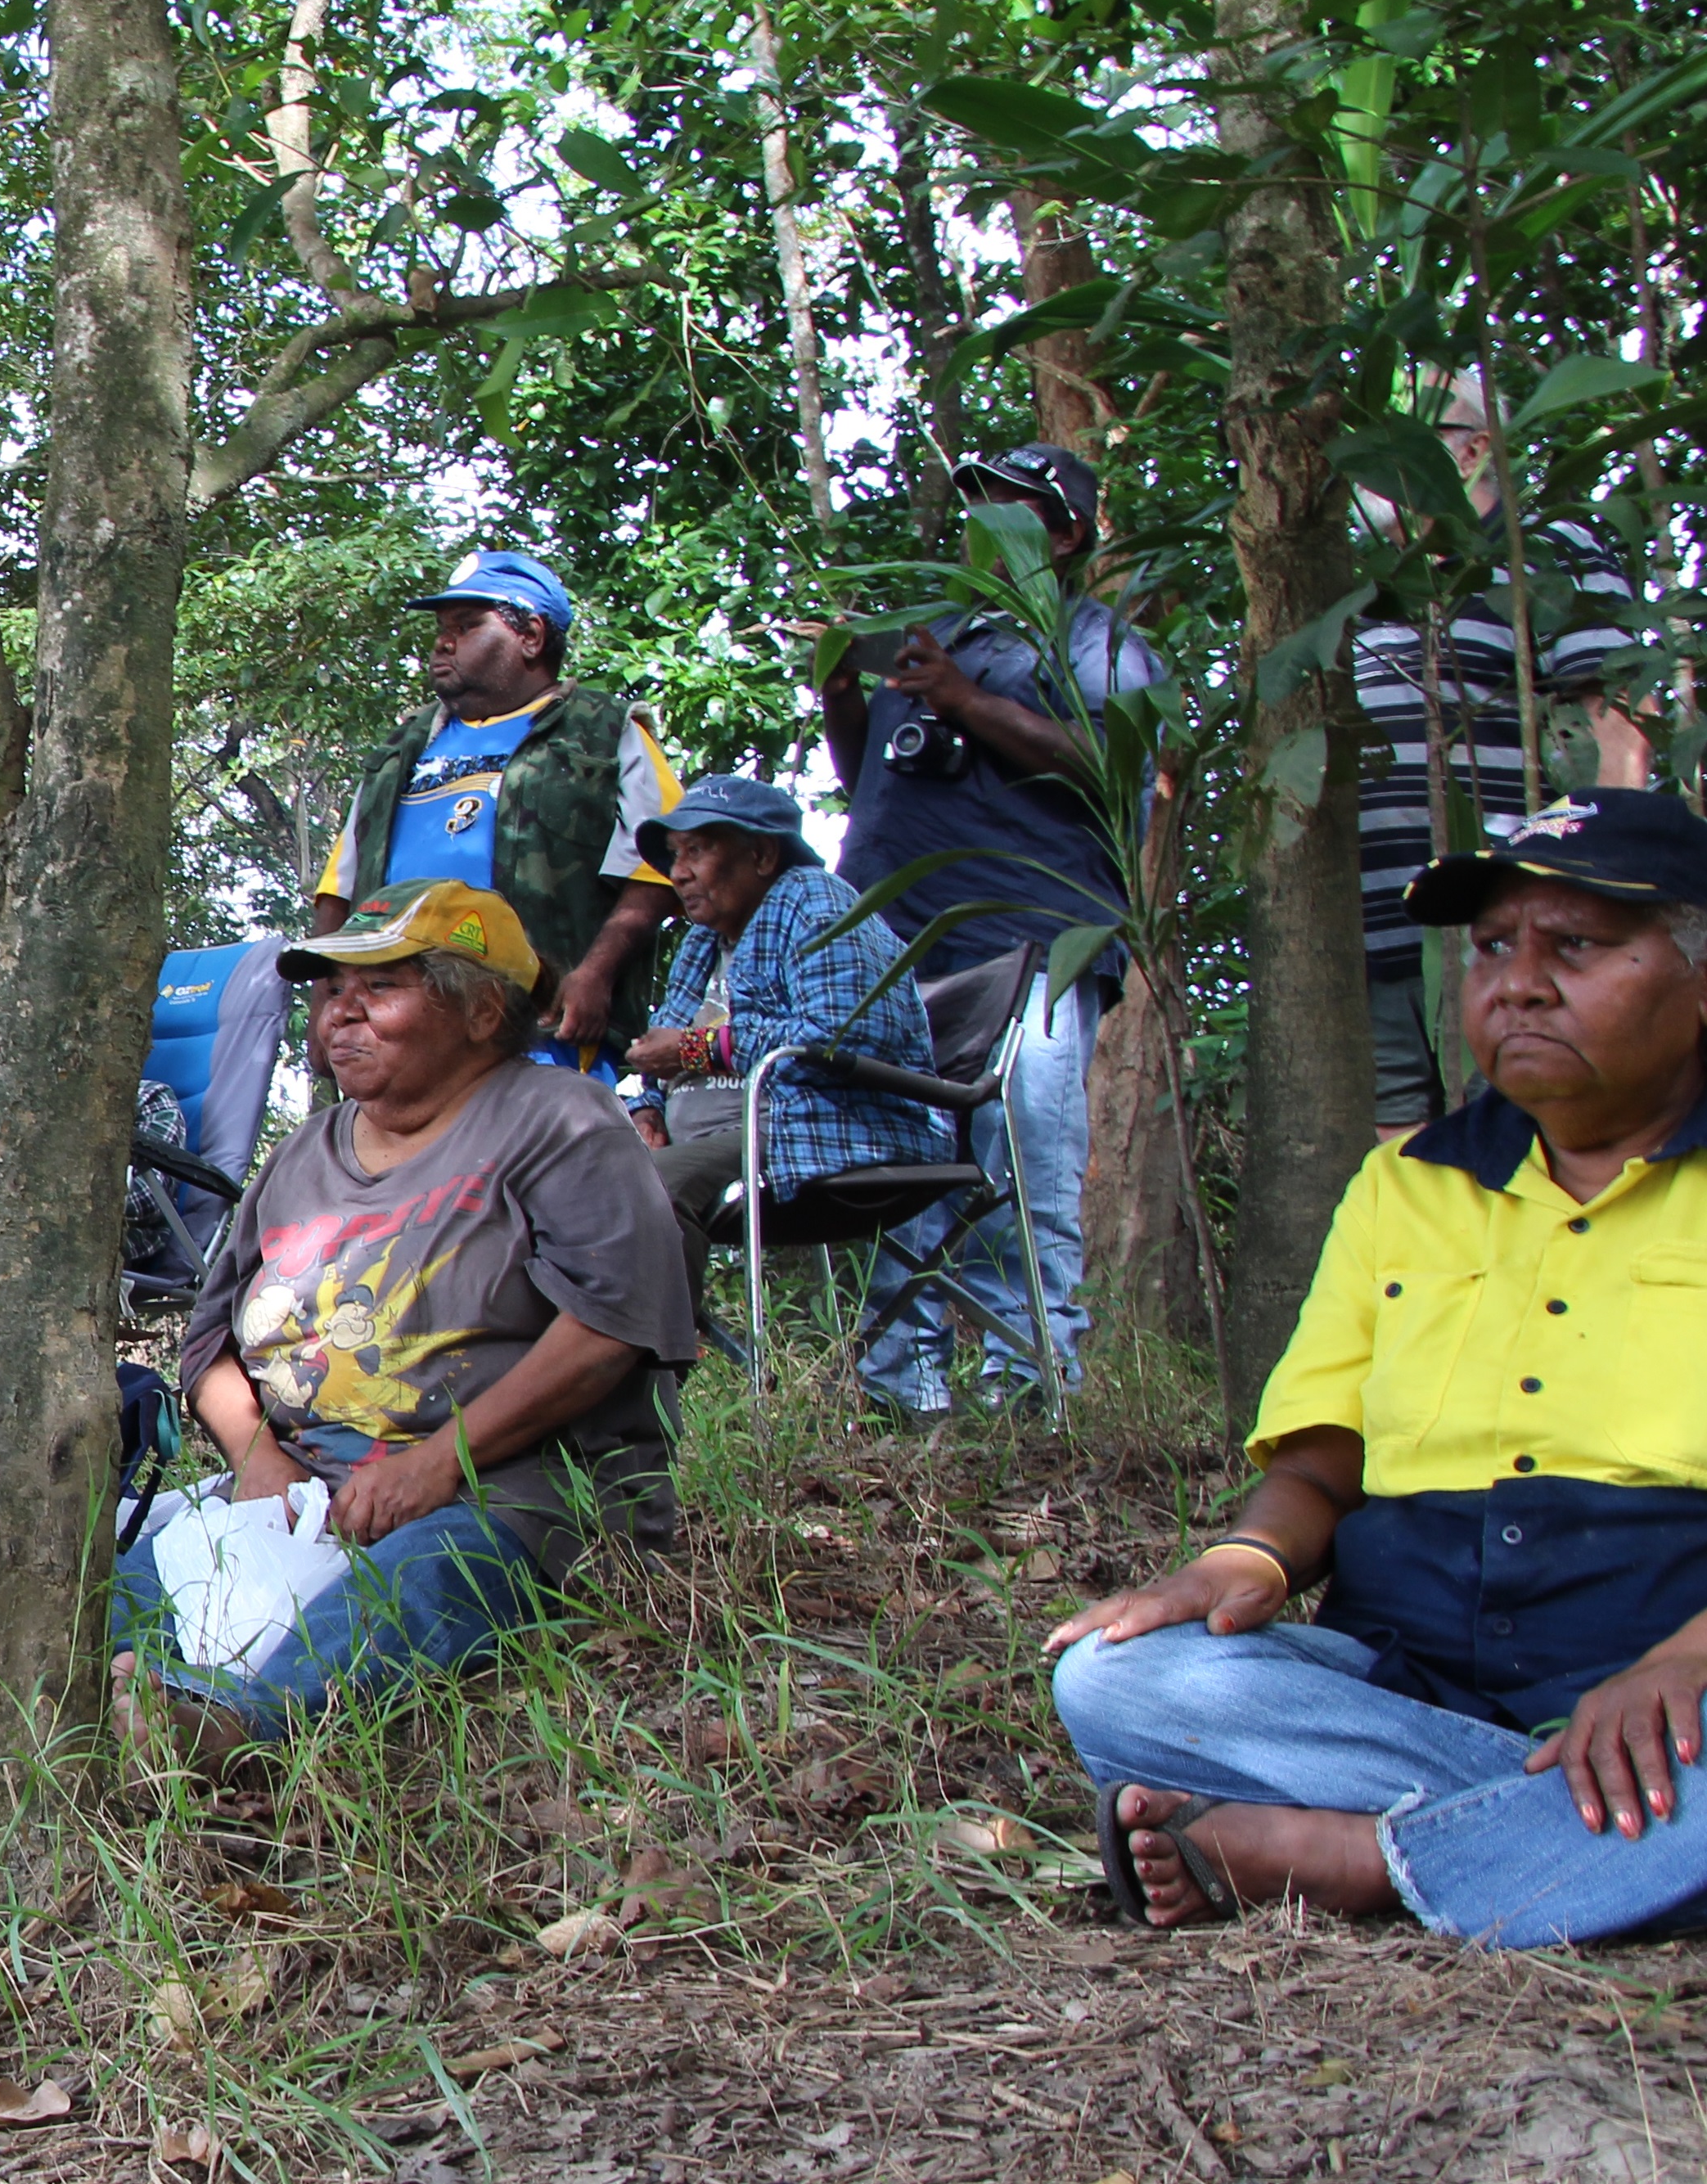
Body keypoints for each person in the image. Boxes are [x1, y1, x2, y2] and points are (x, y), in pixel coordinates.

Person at [0, 883, 700, 1763]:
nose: (339, 1013)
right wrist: (256, 1455)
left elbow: (609, 1326)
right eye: (329, 990)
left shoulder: (559, 1123)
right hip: (298, 1492)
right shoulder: (306, 1153)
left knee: (423, 1579)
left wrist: (439, 1460)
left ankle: (228, 1730)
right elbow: (209, 1344)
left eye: (380, 987)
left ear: (484, 1009)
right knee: (108, 1600)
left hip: (499, 1489)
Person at [1050, 789, 1707, 1945]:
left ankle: (1357, 1856)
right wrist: (1243, 1560)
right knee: (1116, 1679)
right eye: (1492, 947)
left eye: (1575, 946)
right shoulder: (1405, 1183)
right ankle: (1567, 1837)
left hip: (1671, 1661)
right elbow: (1319, 1464)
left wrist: (1685, 1664)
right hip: (1412, 1678)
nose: (1517, 984)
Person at [823, 442, 1163, 1421]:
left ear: (1065, 535)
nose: (983, 525)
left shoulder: (1097, 643)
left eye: (1011, 509)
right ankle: (902, 1397)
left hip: (1032, 940)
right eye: (975, 506)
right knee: (897, 1174)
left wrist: (964, 697)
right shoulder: (940, 633)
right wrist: (844, 695)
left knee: (1022, 1171)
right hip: (895, 945)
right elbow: (872, 776)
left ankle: (1030, 1396)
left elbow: (1110, 770)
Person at [1349, 371, 1658, 1134]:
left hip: (1500, 932)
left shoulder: (1539, 548)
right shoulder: (1359, 589)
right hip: (1371, 941)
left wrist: (1595, 892)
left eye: (1405, 437)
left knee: (1526, 1144)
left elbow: (1618, 714)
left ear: (1472, 450)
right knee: (1404, 1167)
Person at [311, 550, 684, 1058]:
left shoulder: (603, 731)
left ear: (530, 635)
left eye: (466, 626)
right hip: (395, 1035)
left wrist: (595, 973)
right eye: (441, 628)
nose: (443, 642)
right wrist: (326, 1007)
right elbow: (339, 888)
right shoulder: (403, 747)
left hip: (540, 1029)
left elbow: (660, 865)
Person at [623, 776, 954, 1308]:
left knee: (646, 1189)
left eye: (697, 850)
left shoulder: (814, 902)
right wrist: (648, 1113)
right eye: (674, 854)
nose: (678, 872)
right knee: (564, 1180)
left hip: (812, 1130)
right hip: (714, 1143)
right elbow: (659, 1047)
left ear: (761, 854)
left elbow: (844, 1033)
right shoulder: (703, 940)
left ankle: (648, 1359)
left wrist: (695, 1049)